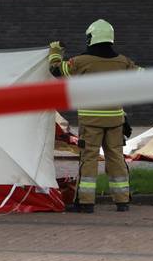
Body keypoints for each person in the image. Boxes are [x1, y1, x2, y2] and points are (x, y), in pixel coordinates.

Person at [48, 19, 139, 213]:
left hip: (90, 121)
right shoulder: (123, 61)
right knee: (116, 158)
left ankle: (86, 202)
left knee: (88, 158)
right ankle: (122, 200)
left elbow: (56, 70)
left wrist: (55, 52)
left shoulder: (81, 62)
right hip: (115, 119)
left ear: (91, 37)